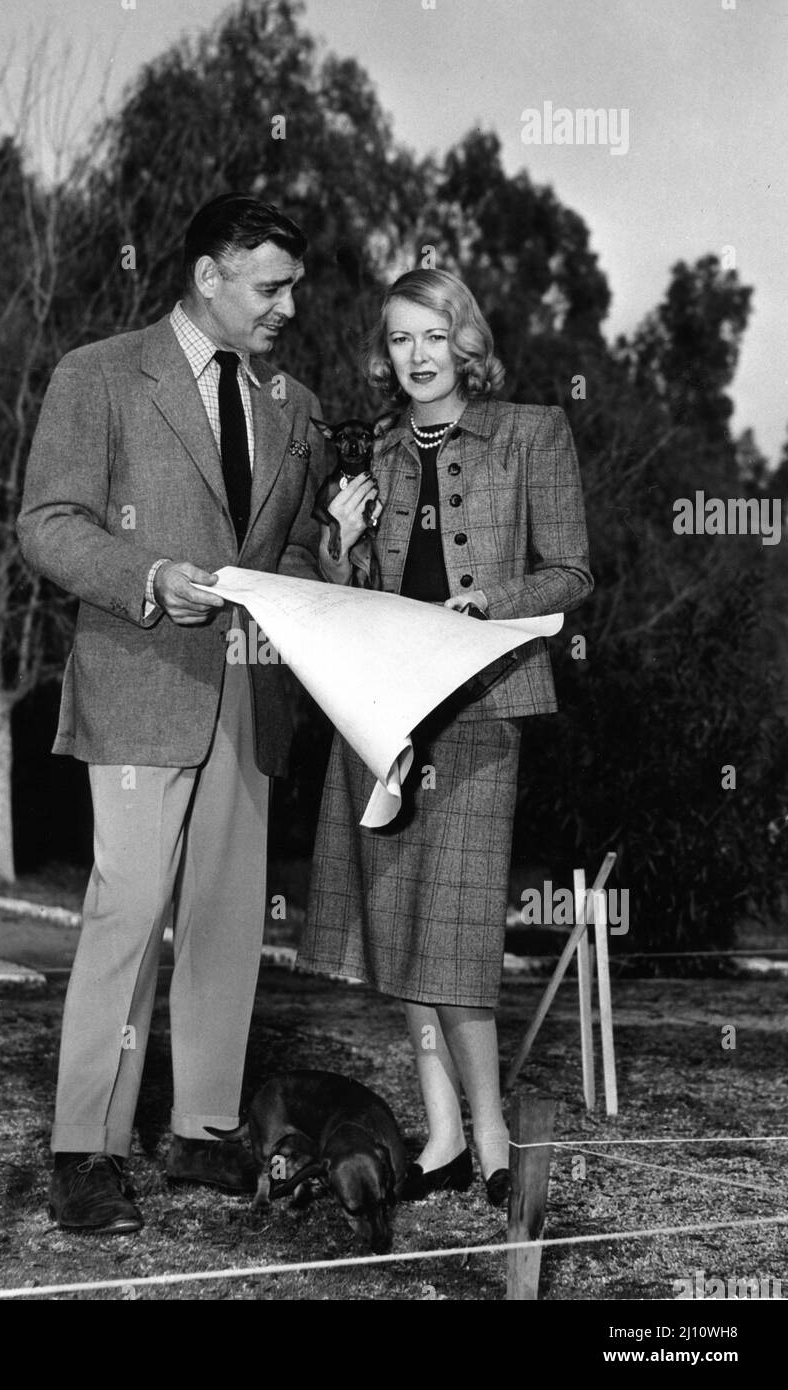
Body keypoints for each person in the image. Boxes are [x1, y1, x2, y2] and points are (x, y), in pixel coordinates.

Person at [18, 194, 326, 1233]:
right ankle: (86, 1148)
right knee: (126, 911)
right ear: (208, 274)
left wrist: (328, 557)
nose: (288, 305)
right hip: (140, 682)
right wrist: (149, 574)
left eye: (292, 286)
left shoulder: (295, 403)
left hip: (252, 691)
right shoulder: (96, 375)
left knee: (226, 923)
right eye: (269, 284)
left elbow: (280, 554)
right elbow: (48, 525)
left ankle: (202, 1130)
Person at [298, 268, 593, 1206]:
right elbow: (345, 595)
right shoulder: (373, 449)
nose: (417, 358)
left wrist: (486, 606)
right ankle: (443, 1136)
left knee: (457, 936)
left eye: (433, 336)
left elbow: (573, 573)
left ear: (465, 340)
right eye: (398, 340)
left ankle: (495, 1137)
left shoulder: (531, 432)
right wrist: (340, 542)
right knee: (398, 930)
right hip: (383, 714)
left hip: (480, 710)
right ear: (383, 353)